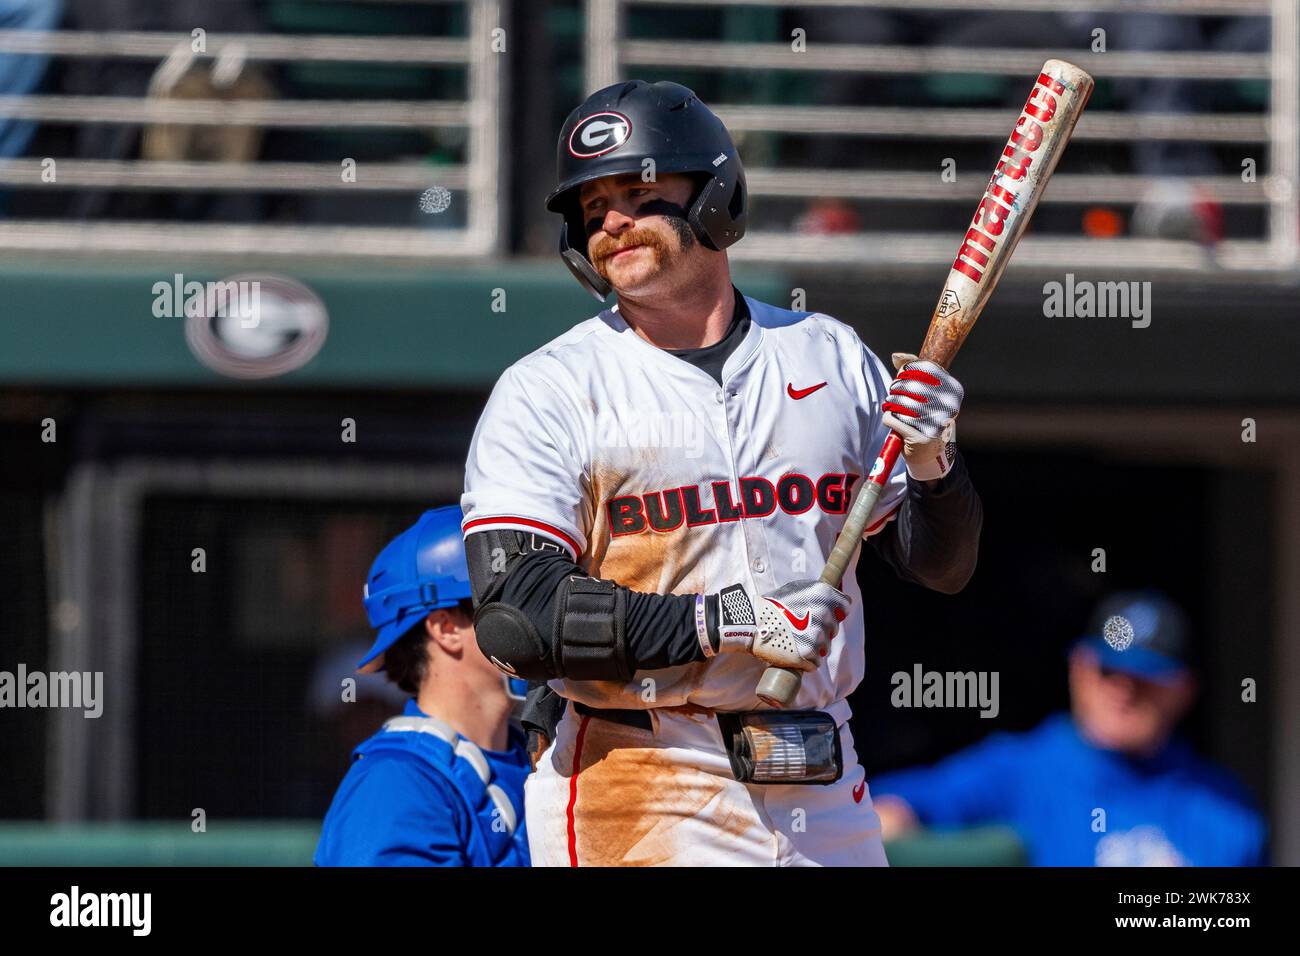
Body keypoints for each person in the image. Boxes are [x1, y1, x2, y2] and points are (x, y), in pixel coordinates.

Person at [461, 80, 983, 866]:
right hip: (641, 773)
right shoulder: (550, 387)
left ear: (714, 194)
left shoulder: (828, 354)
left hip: (820, 769)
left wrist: (933, 458)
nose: (610, 220)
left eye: (636, 189)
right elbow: (517, 620)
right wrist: (727, 621)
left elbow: (940, 566)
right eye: (591, 205)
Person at [872, 591, 1267, 866]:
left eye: (1144, 678)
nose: (1123, 691)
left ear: (1183, 689)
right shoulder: (1018, 769)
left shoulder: (1222, 807)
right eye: (1109, 671)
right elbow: (882, 817)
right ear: (1079, 668)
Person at [315, 507, 531, 867]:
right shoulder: (394, 785)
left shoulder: (545, 756)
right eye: (509, 598)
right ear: (445, 628)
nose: (535, 616)